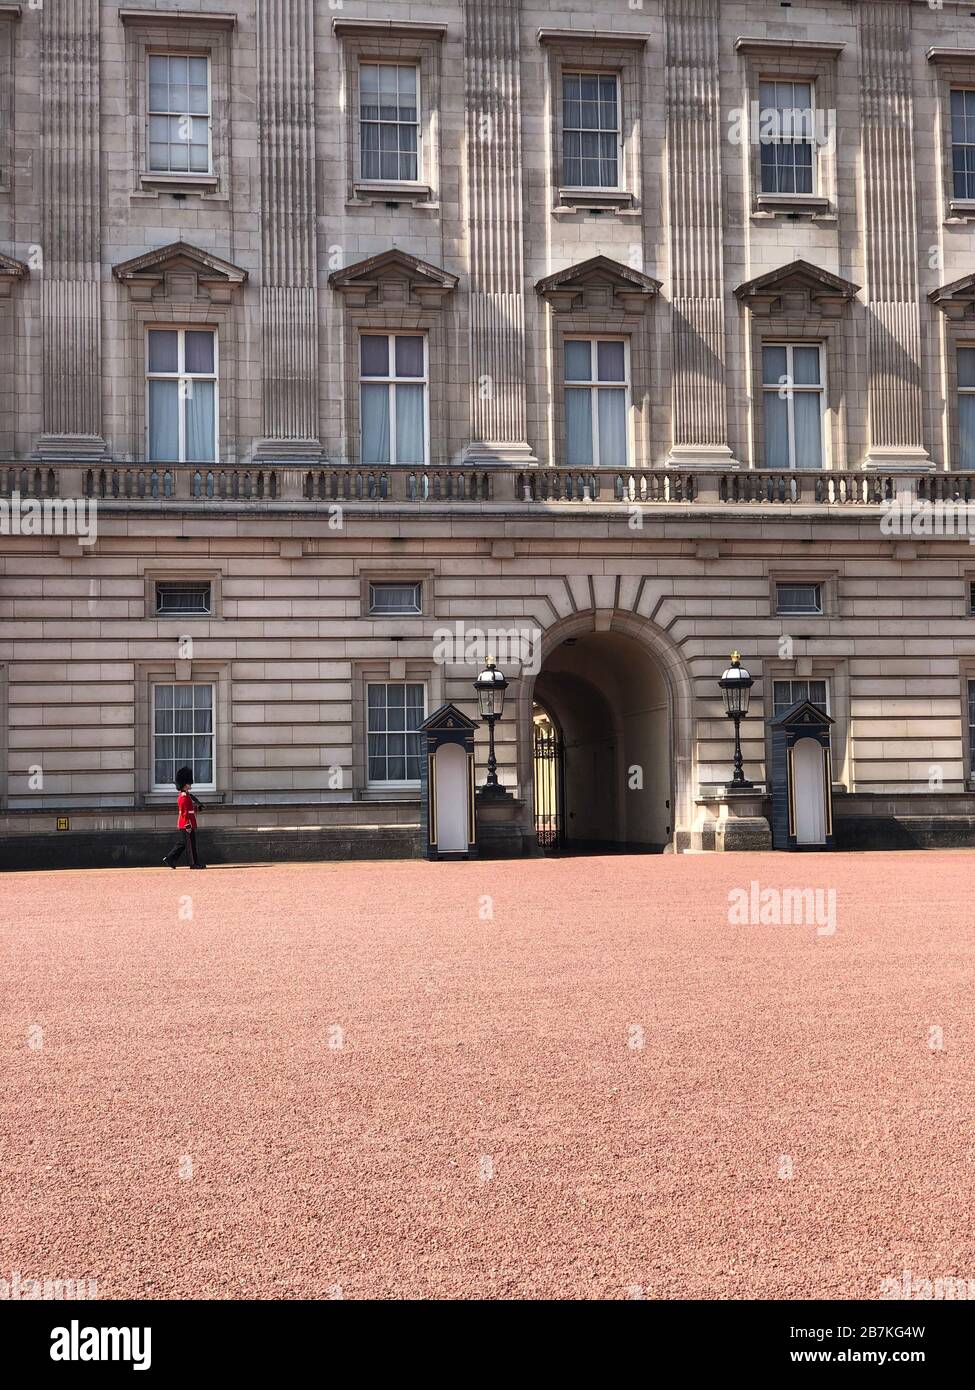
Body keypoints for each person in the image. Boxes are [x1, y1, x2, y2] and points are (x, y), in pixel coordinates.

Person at [163, 767, 206, 869]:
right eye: (189, 783)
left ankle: (170, 859)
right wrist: (188, 824)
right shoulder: (183, 797)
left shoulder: (187, 796)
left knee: (186, 843)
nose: (190, 785)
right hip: (186, 823)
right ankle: (193, 863)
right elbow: (184, 812)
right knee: (189, 846)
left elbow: (190, 810)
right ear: (185, 785)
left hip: (189, 822)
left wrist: (197, 808)